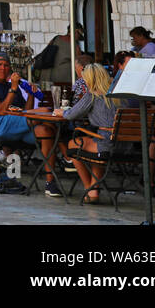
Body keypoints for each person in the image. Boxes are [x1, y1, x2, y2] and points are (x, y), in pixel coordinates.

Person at [0, 51, 61, 195]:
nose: (3, 68)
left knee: (46, 132)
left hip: (17, 125)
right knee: (43, 112)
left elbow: (25, 111)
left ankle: (50, 182)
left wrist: (30, 94)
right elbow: (0, 111)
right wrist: (14, 89)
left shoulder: (10, 85)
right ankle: (65, 152)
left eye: (6, 65)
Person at [54, 63, 118, 204]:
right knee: (93, 145)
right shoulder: (119, 95)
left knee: (73, 144)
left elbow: (71, 115)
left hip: (105, 144)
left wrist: (61, 112)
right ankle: (94, 189)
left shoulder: (92, 95)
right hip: (124, 146)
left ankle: (90, 188)